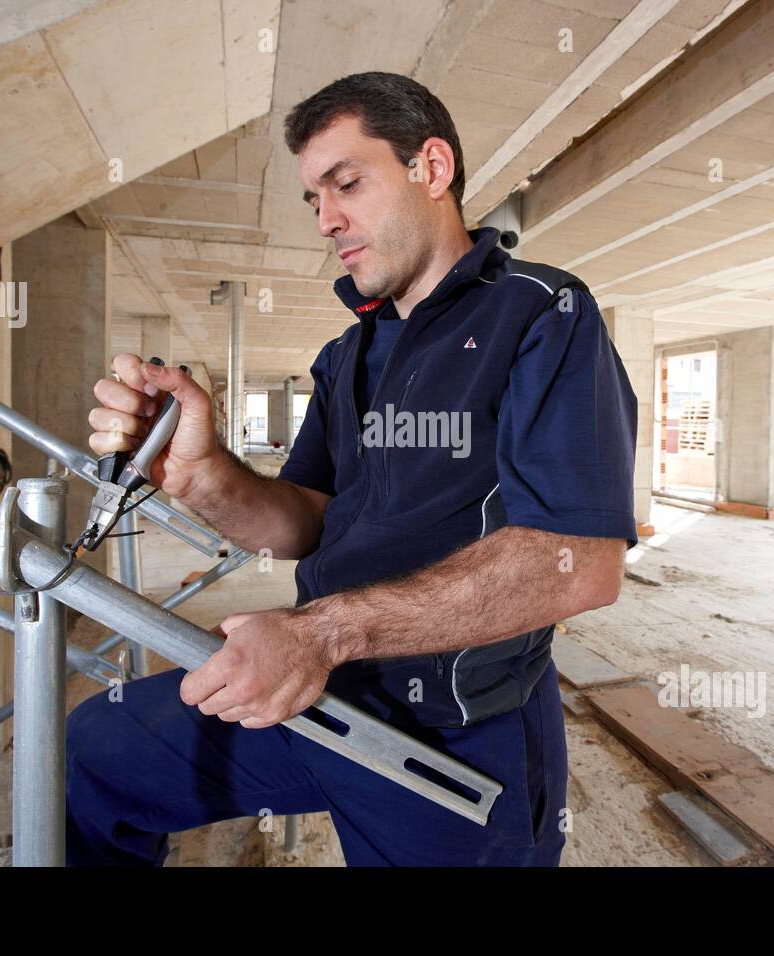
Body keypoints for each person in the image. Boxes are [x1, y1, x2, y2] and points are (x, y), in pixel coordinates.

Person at [67, 71, 639, 866]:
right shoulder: (349, 353)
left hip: (459, 729)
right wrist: (198, 474)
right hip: (326, 691)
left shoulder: (542, 314)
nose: (328, 221)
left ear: (430, 169)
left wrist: (321, 633)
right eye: (314, 201)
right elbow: (304, 517)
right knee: (96, 747)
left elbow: (579, 565)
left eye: (346, 184)